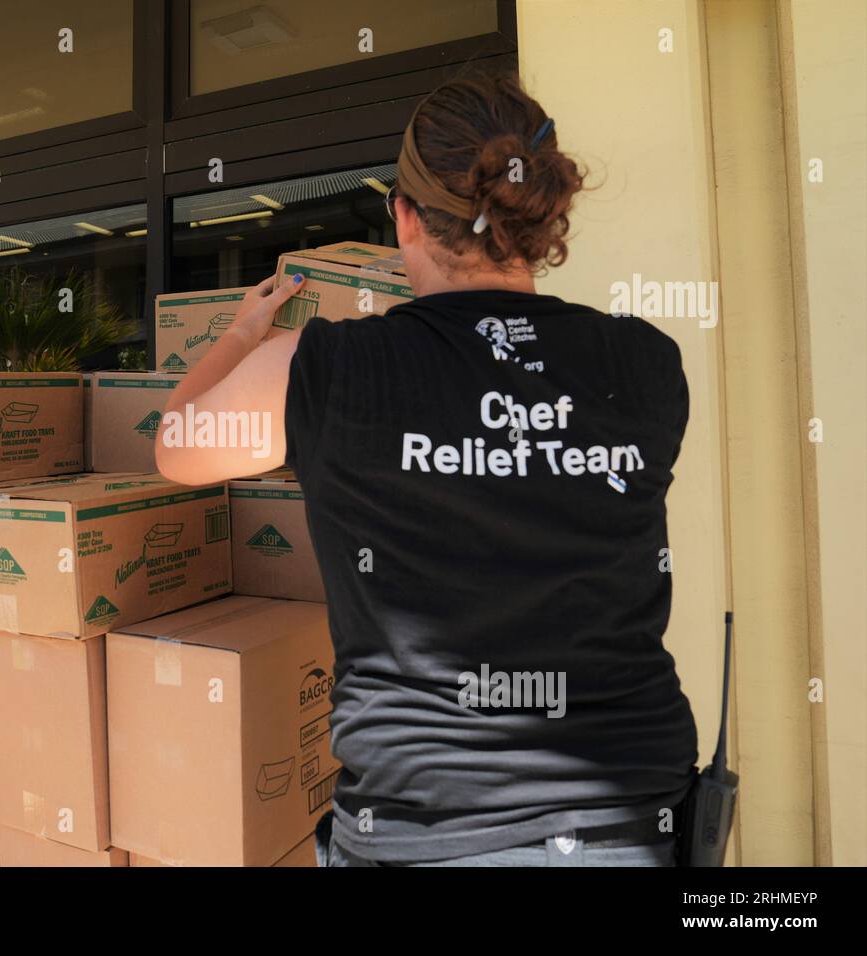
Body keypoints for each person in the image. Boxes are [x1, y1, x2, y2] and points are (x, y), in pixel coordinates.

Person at [154, 70, 698, 867]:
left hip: (427, 834)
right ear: (546, 216)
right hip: (637, 823)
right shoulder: (647, 362)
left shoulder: (327, 369)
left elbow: (175, 445)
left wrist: (243, 335)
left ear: (404, 218)